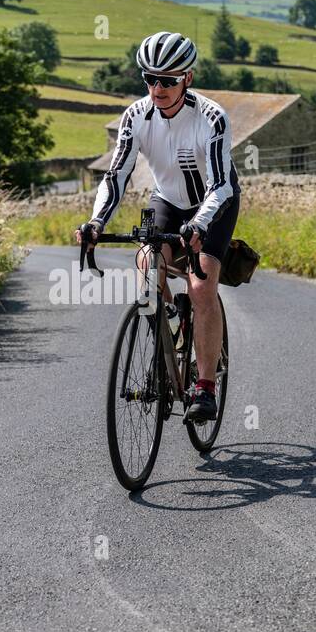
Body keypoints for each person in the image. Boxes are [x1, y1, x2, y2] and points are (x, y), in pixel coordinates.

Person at [75, 30, 241, 422]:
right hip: (166, 200)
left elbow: (220, 185)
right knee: (148, 266)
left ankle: (204, 387)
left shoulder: (212, 118)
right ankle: (167, 320)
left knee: (201, 287)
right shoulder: (136, 116)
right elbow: (116, 176)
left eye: (168, 80)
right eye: (150, 78)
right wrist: (97, 221)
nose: (158, 87)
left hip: (213, 204)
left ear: (188, 78)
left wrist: (199, 223)